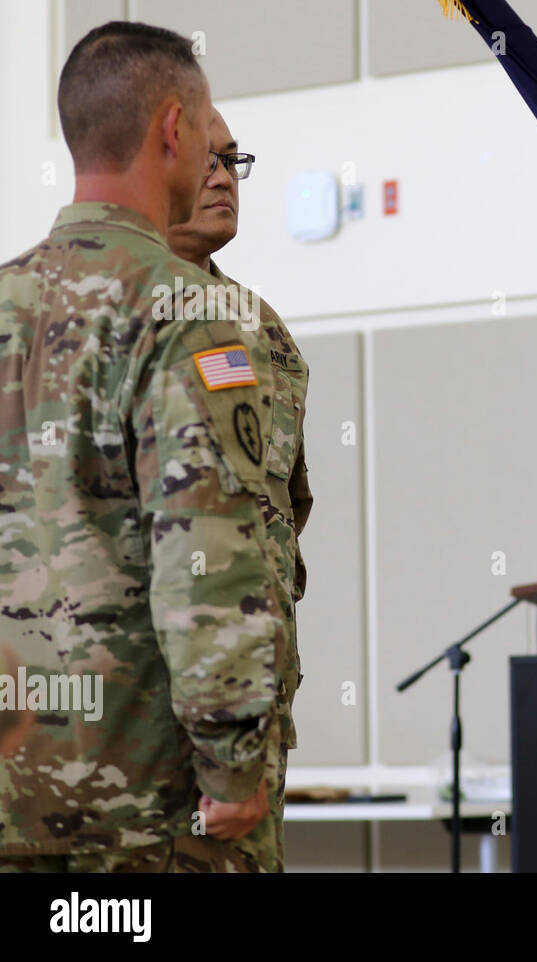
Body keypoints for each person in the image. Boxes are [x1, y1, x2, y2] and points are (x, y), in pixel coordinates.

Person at [0, 21, 283, 872]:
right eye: (207, 136)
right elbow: (209, 554)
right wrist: (233, 764)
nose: (214, 162)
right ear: (172, 129)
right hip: (147, 803)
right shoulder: (189, 311)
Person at [169, 109, 312, 873]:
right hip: (133, 712)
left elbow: (283, 510)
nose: (224, 173)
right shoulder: (103, 309)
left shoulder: (260, 327)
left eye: (234, 158)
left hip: (251, 706)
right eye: (206, 157)